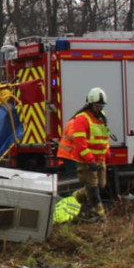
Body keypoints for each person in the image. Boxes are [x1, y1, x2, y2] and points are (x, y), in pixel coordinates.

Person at [57, 87, 111, 220]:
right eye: (97, 105)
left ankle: (74, 199)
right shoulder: (82, 119)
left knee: (101, 185)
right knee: (93, 188)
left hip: (99, 160)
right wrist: (90, 160)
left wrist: (106, 154)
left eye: (101, 106)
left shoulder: (101, 117)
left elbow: (105, 138)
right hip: (87, 161)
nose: (99, 108)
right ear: (90, 104)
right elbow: (80, 144)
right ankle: (99, 213)